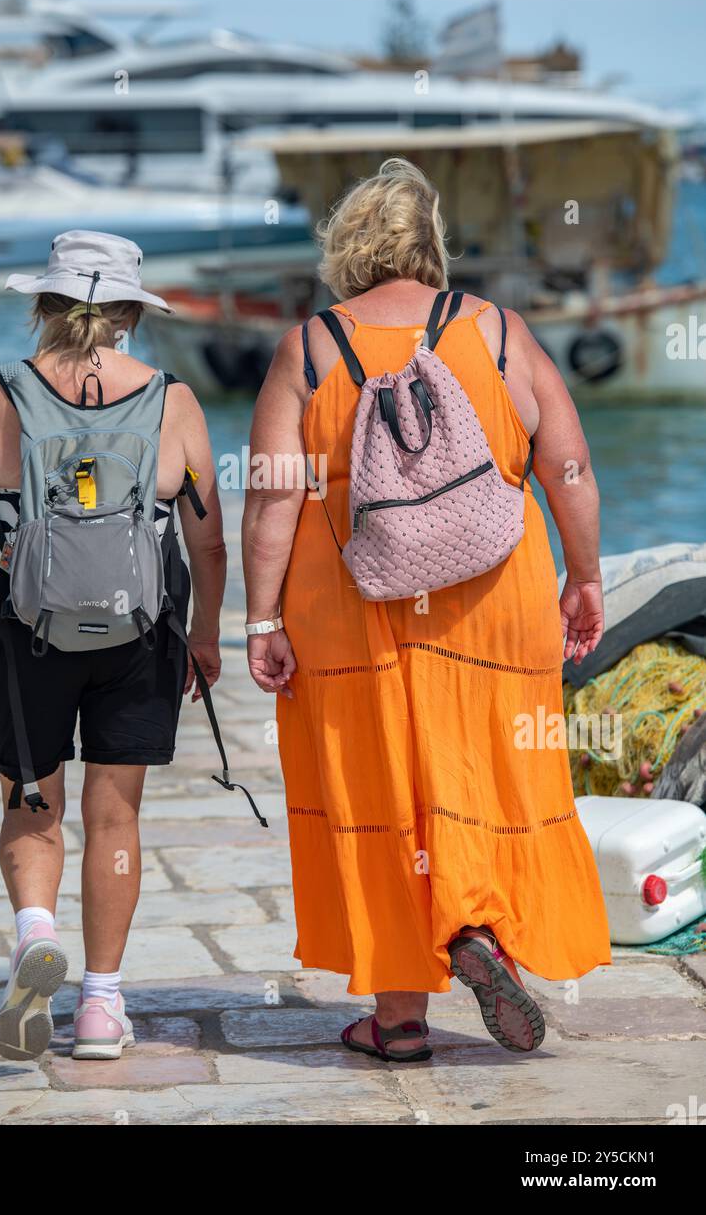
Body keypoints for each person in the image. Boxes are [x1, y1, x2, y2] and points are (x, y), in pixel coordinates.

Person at [242, 159, 611, 1061]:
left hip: (351, 600)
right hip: (494, 590)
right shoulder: (497, 332)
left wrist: (261, 620)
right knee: (485, 767)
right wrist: (585, 574)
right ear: (430, 244)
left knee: (378, 790)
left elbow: (272, 497)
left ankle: (400, 1018)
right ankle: (479, 925)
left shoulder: (312, 347)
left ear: (347, 244)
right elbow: (568, 467)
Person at [0, 231, 226, 1060]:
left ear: (43, 306)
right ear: (130, 312)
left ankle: (33, 935)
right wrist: (203, 637)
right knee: (114, 814)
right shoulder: (173, 400)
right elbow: (207, 544)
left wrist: (5, 587)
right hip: (142, 631)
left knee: (32, 804)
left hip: (29, 638)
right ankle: (100, 1007)